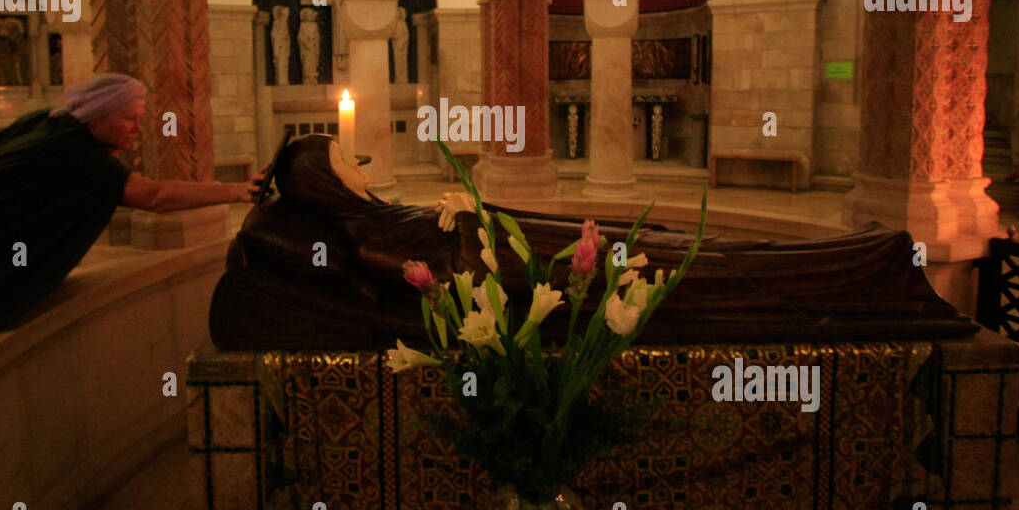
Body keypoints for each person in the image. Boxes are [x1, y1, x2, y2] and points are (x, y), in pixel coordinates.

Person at [214, 134, 974, 349]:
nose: (361, 166)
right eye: (347, 164)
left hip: (520, 238)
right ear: (326, 188)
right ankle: (849, 269)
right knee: (688, 268)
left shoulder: (382, 220)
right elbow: (468, 283)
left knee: (666, 243)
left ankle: (829, 263)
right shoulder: (375, 243)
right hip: (526, 260)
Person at [0, 73, 267, 364]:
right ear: (100, 115)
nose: (138, 128)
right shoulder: (76, 154)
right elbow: (155, 196)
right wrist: (234, 192)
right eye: (130, 118)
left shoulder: (49, 123)